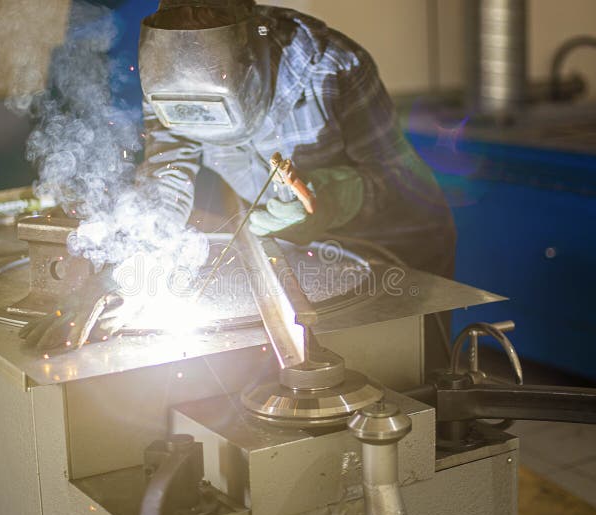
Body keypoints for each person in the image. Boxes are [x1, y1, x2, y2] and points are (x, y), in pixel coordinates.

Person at [23, 0, 456, 365]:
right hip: (303, 256)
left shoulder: (334, 67)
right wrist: (129, 272)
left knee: (404, 381)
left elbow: (401, 183)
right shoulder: (167, 70)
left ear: (253, 56)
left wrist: (331, 197)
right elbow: (168, 175)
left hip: (396, 255)